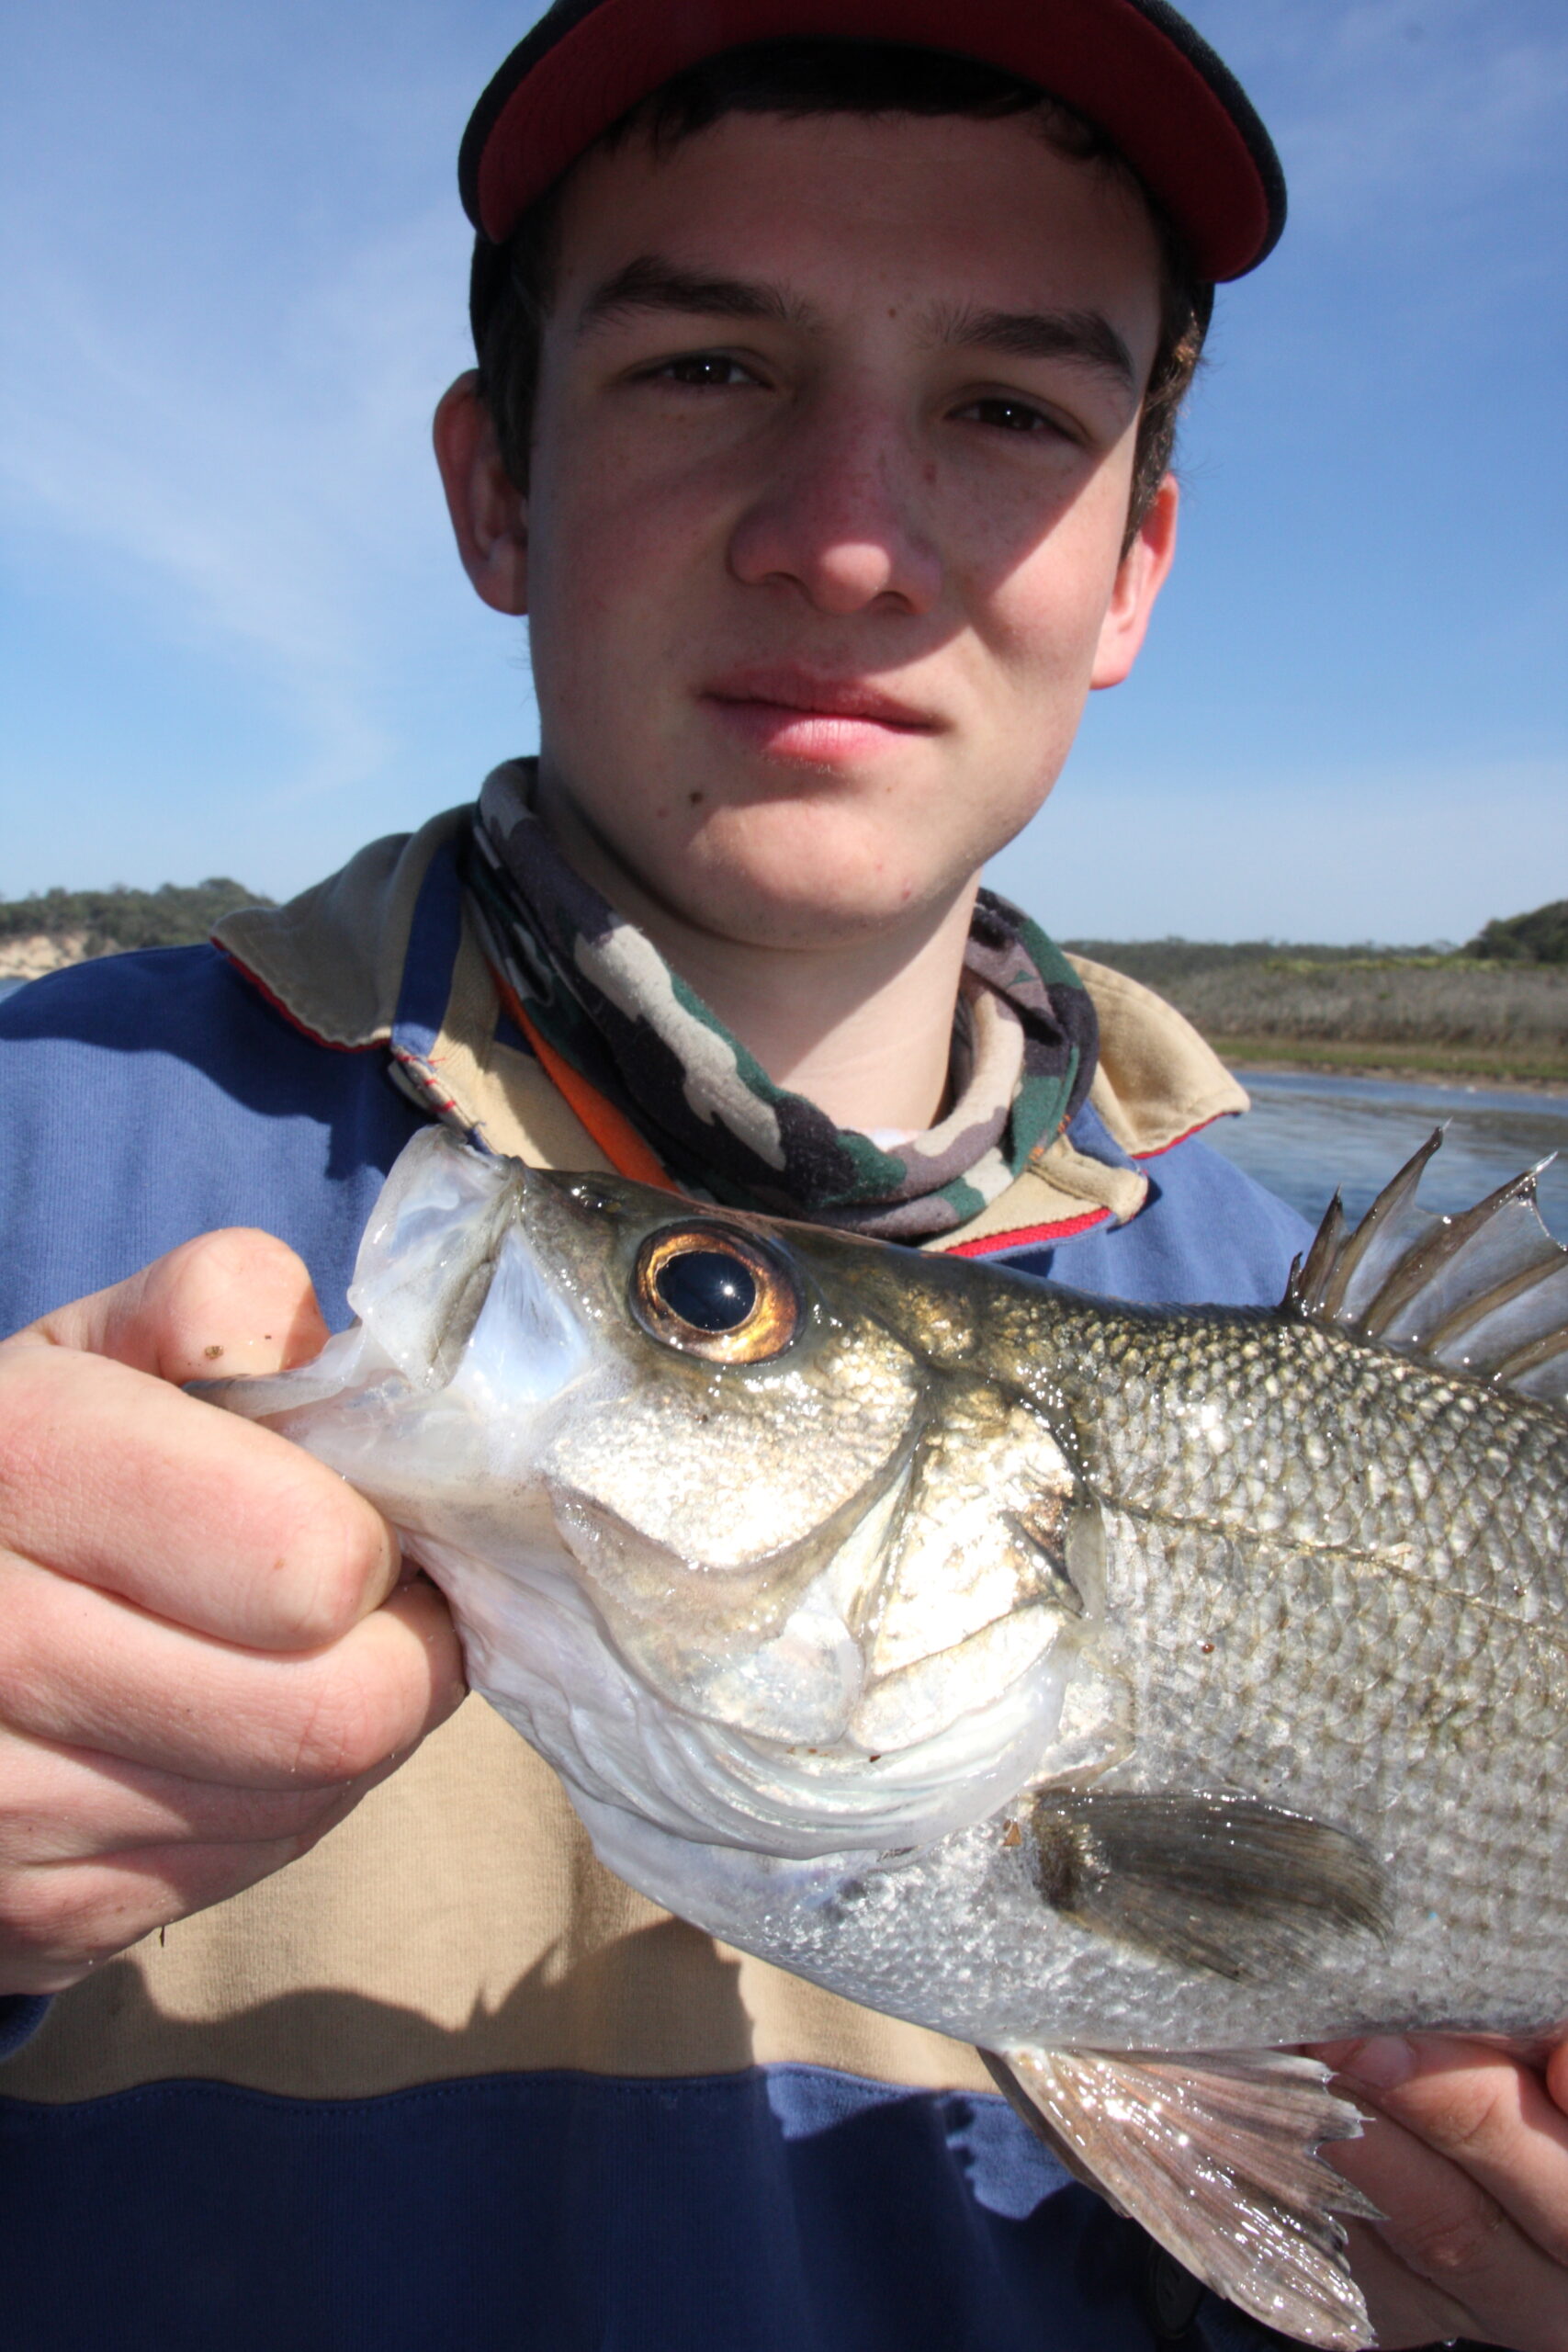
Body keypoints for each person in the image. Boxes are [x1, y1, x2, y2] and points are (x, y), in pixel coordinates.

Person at [1, 6, 1563, 2347]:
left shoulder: (1279, 1293)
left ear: (1131, 567)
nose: (841, 540)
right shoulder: (40, 1150)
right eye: (707, 368)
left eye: (1005, 409)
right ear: (496, 484)